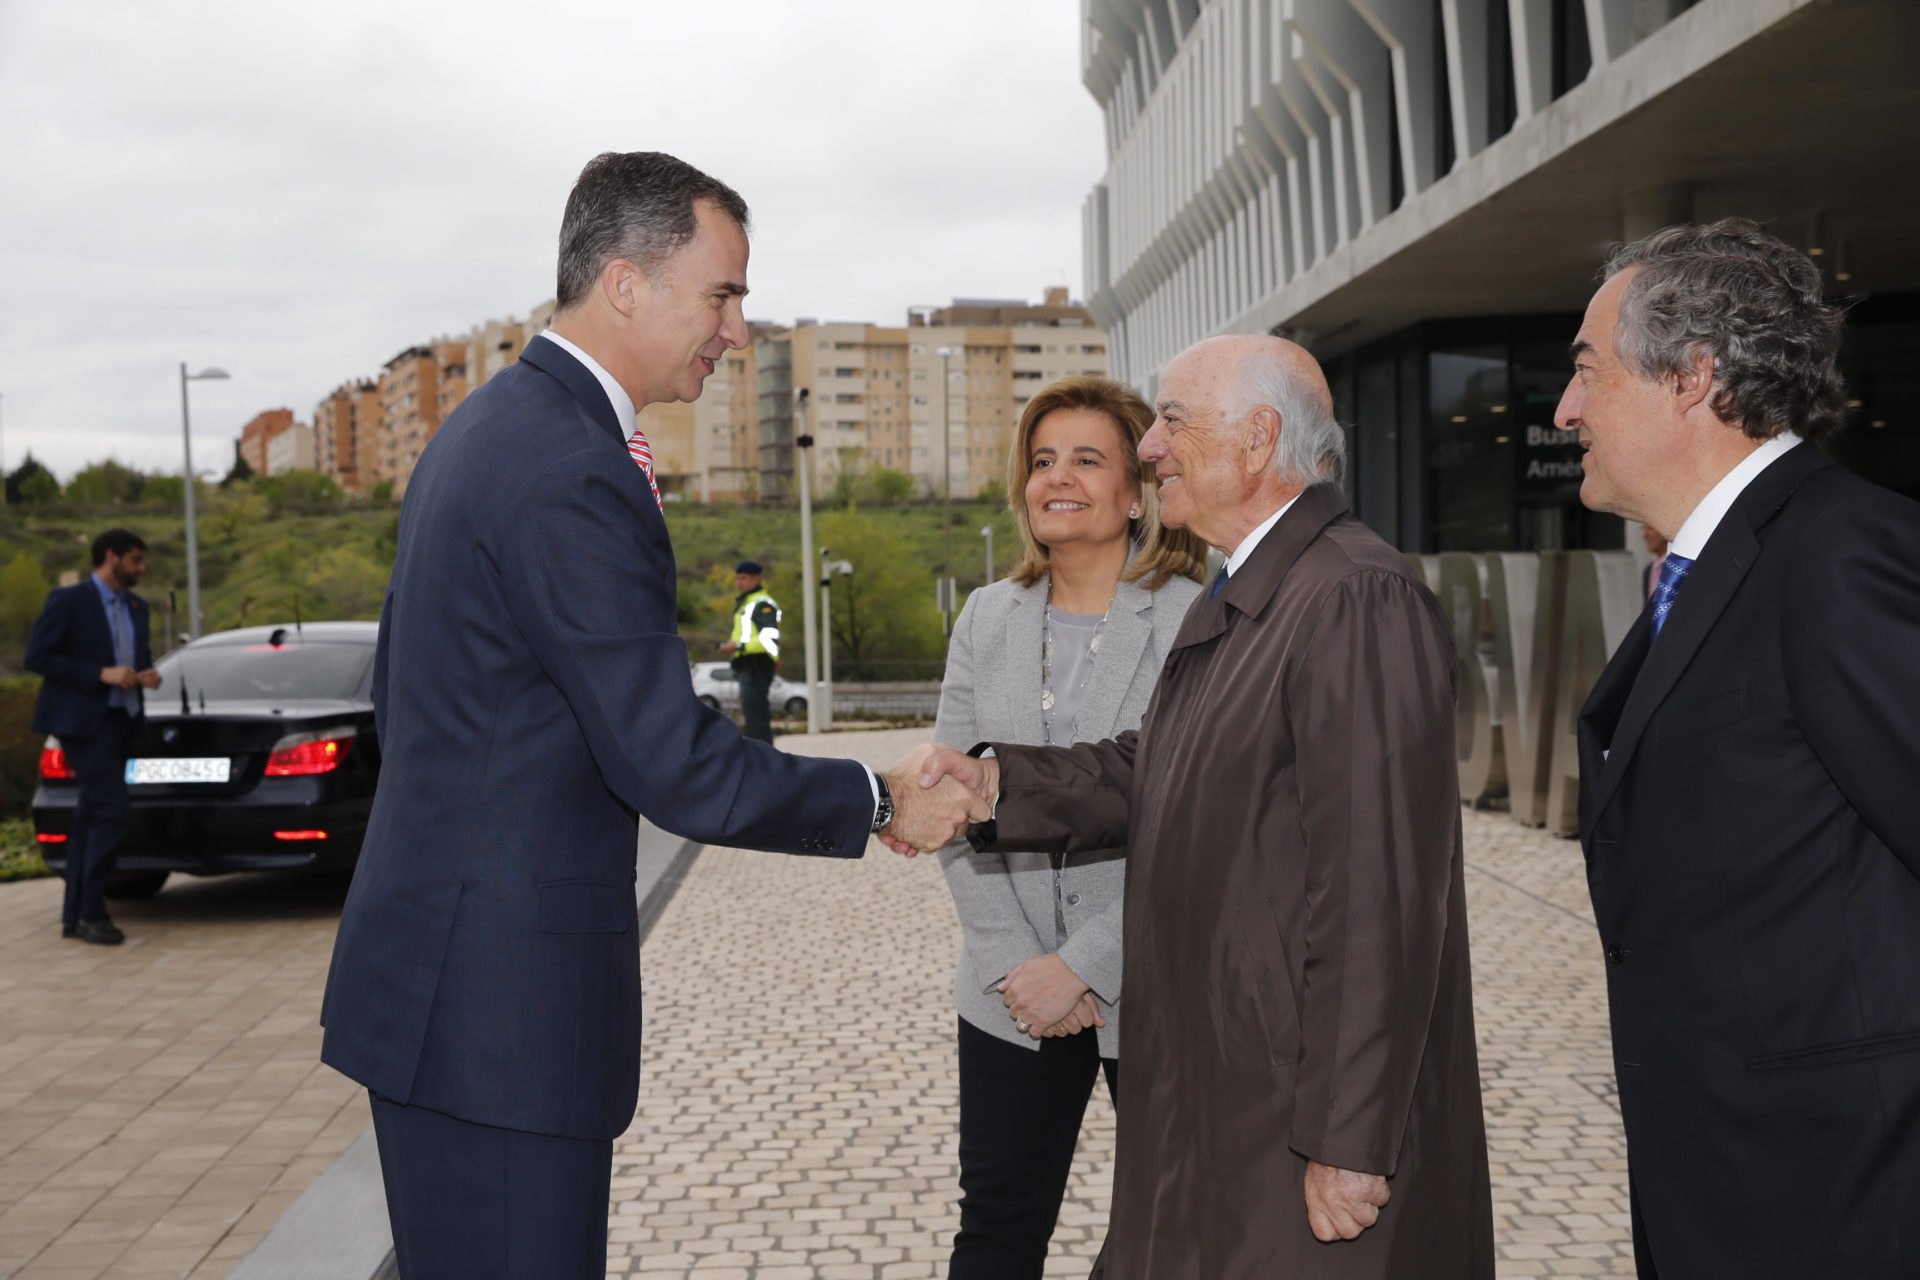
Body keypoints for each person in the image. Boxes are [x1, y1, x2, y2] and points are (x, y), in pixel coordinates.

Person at [319, 152, 983, 1280]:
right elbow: (674, 763)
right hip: (498, 1019)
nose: (738, 331)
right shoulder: (570, 466)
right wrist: (878, 798)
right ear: (624, 283)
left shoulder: (492, 428)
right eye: (722, 294)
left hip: (446, 992)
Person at [902, 335, 1493, 1278]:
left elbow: (1378, 899)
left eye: (1172, 422)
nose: (1151, 447)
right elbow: (1162, 771)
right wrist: (996, 785)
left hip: (1288, 1106)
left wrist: (1347, 1137)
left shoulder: (1353, 598)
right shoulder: (1255, 592)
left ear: (1257, 439)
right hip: (1225, 1085)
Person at [1562, 218, 1920, 1278]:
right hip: (1730, 1177)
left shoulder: (1839, 553)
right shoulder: (1713, 566)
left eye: (1587, 371)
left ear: (1693, 377)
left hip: (1840, 1191)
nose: (1566, 409)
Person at [934, 376, 1206, 1278]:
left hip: (1153, 985)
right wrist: (1020, 965)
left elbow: (1199, 826)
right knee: (996, 1234)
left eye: (1088, 459)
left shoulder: (1196, 620)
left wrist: (1085, 964)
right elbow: (952, 802)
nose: (1058, 477)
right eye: (1043, 459)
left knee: (1176, 1234)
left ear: (1136, 492)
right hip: (1008, 992)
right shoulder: (987, 616)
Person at [25, 528, 161, 946]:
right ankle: (93, 913)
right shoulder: (68, 600)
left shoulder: (137, 606)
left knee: (91, 815)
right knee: (111, 810)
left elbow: (136, 658)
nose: (141, 568)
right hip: (82, 723)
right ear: (110, 557)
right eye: (135, 559)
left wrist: (147, 674)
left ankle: (74, 916)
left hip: (123, 719)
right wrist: (100, 674)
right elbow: (38, 657)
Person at [719, 559, 780, 742]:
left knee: (757, 720)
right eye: (737, 578)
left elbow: (769, 637)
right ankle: (760, 757)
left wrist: (738, 646)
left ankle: (764, 758)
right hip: (746, 666)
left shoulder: (762, 603)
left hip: (756, 667)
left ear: (756, 579)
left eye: (744, 578)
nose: (739, 582)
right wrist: (732, 644)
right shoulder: (746, 603)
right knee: (753, 718)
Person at [1640, 523, 1668, 599]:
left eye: (1650, 528)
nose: (1644, 535)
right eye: (1643, 529)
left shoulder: (1680, 567)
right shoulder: (1648, 570)